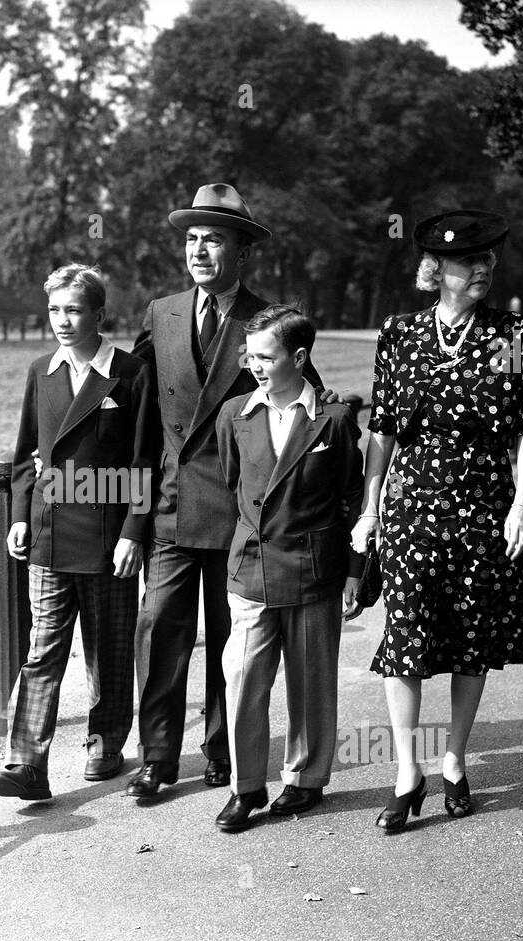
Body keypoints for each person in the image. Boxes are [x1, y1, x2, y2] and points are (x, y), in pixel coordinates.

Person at [125, 183, 335, 799]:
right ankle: (157, 757)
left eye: (213, 239)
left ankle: (222, 751)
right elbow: (136, 410)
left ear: (242, 253)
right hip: (170, 506)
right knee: (159, 628)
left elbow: (310, 406)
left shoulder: (268, 322)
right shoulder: (160, 313)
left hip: (243, 515)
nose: (198, 250)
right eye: (191, 239)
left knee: (229, 639)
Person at [351, 209, 523, 834]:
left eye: (490, 260)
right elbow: (382, 429)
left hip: (485, 507)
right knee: (405, 641)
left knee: (472, 639)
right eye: (472, 261)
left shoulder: (515, 333)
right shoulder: (399, 333)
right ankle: (408, 773)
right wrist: (369, 510)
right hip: (412, 507)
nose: (485, 269)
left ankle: (456, 762)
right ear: (438, 270)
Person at [0, 264, 157, 800]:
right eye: (55, 310)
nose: (63, 321)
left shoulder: (130, 374)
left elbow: (144, 460)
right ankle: (25, 763)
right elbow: (23, 456)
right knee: (43, 649)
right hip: (50, 531)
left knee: (108, 648)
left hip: (109, 537)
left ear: (99, 314)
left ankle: (106, 743)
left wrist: (134, 529)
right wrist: (19, 515)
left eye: (74, 310)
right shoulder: (42, 370)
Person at [212, 305, 365, 832]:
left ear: (299, 357)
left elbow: (353, 499)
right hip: (252, 570)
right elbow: (236, 488)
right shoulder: (234, 414)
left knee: (311, 681)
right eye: (250, 355)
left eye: (267, 356)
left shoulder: (336, 419)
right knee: (244, 678)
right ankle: (245, 787)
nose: (255, 365)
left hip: (313, 570)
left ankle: (304, 780)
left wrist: (353, 571)